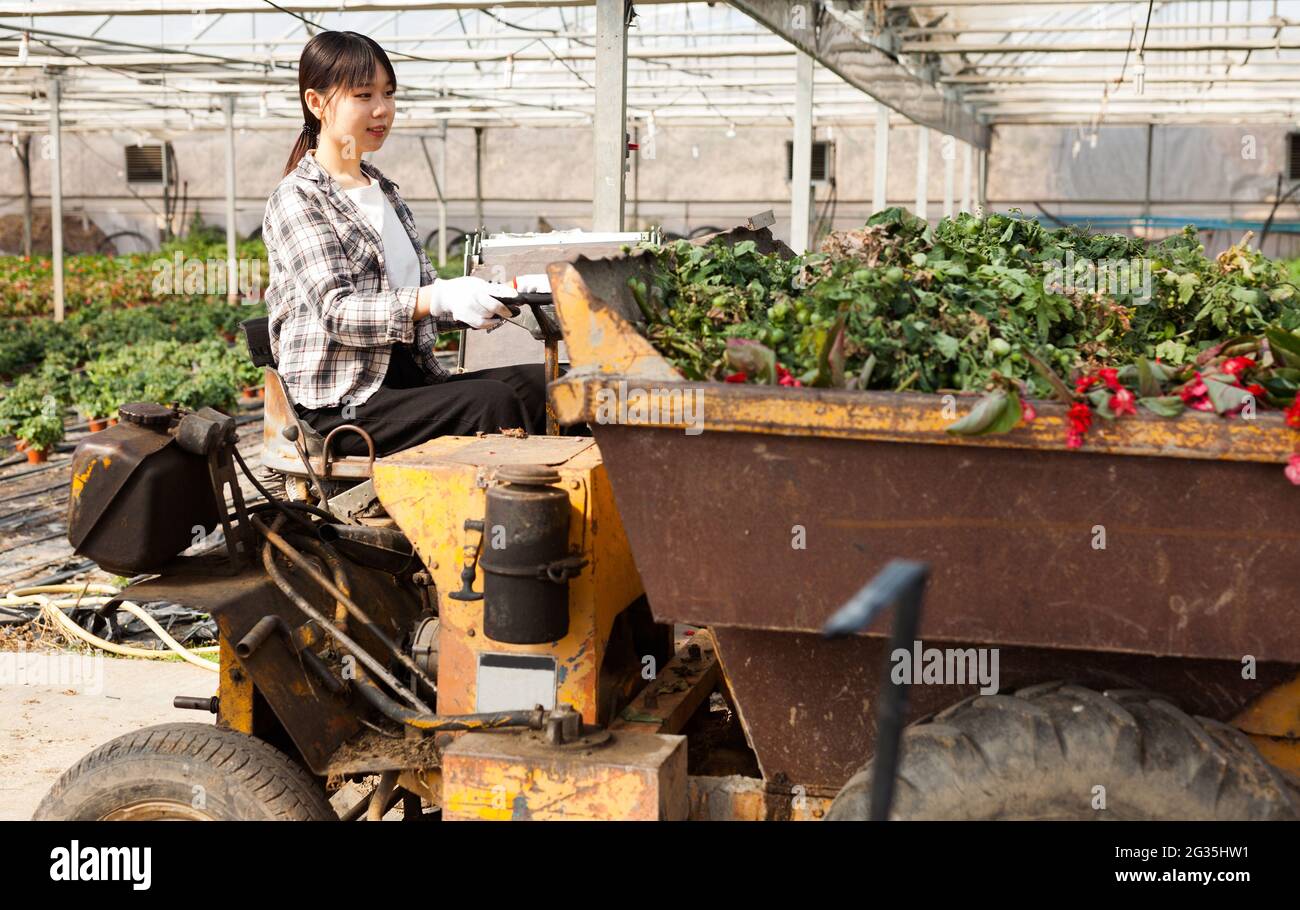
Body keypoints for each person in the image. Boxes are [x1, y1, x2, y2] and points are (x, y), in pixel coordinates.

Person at [262, 30, 547, 457]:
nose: (382, 110)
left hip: (406, 381)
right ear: (316, 103)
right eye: (363, 95)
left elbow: (422, 302)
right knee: (493, 403)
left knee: (548, 383)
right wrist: (435, 297)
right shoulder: (298, 198)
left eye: (389, 94)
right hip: (343, 403)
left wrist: (490, 298)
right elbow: (337, 312)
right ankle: (504, 518)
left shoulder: (383, 190)